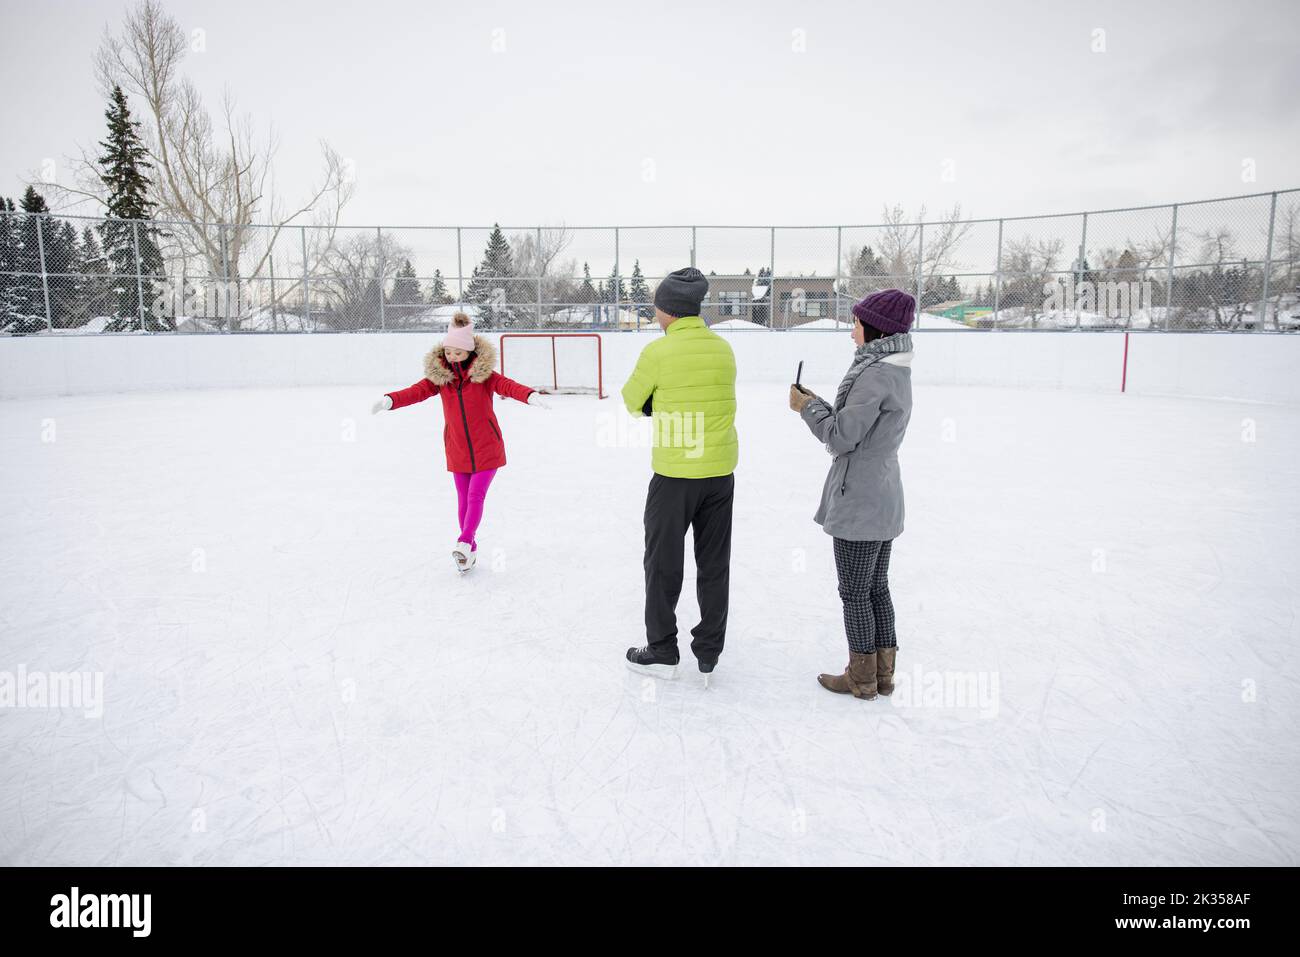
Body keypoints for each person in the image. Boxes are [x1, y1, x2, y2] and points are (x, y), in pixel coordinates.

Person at [788, 289, 914, 699]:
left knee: (855, 593)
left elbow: (842, 436)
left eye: (857, 324)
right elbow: (856, 425)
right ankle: (882, 674)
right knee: (877, 587)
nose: (852, 332)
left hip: (860, 499)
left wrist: (806, 410)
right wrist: (818, 402)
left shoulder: (874, 374)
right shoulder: (893, 370)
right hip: (882, 493)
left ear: (875, 329)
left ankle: (861, 678)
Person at [621, 267, 738, 681]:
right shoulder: (723, 349)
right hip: (720, 474)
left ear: (667, 310)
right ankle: (709, 651)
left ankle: (662, 649)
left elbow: (632, 402)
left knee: (662, 562)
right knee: (714, 563)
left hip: (674, 475)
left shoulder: (658, 352)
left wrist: (656, 404)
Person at [371, 312, 548, 572]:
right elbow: (416, 392)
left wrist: (529, 395)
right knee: (463, 501)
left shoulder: (484, 375)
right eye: (449, 352)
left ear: (469, 352)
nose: (452, 356)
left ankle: (464, 541)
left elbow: (508, 386)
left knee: (476, 495)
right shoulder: (441, 379)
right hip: (457, 449)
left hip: (487, 448)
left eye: (458, 352)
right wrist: (391, 400)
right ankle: (470, 553)